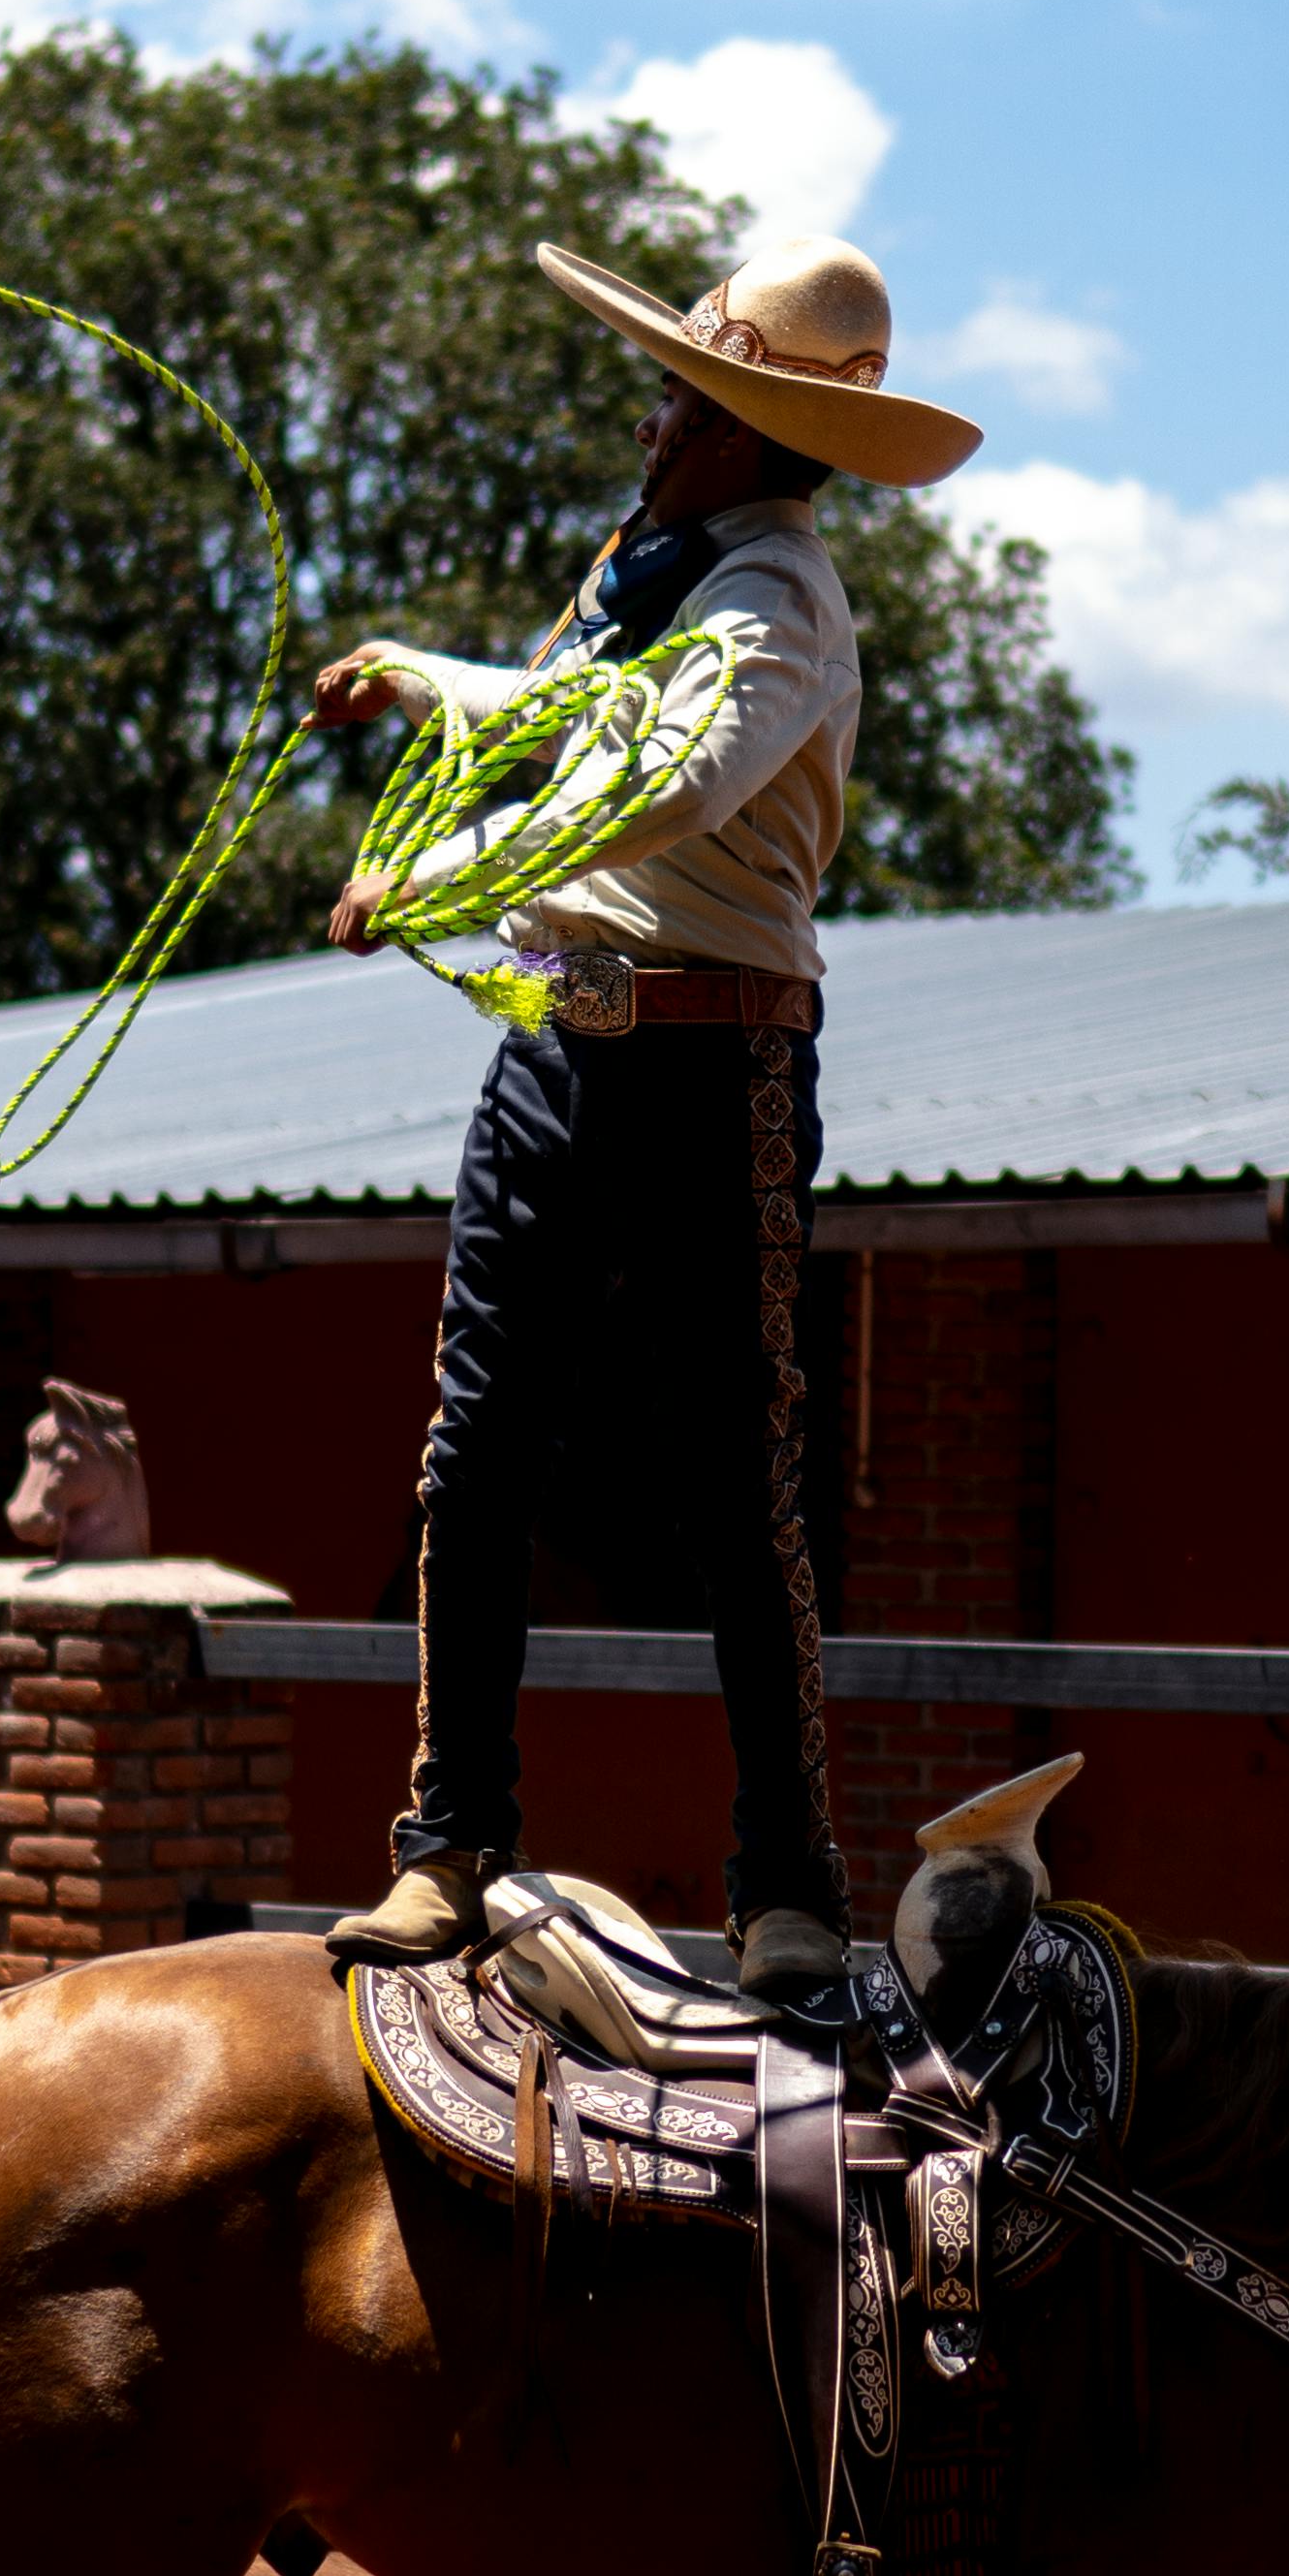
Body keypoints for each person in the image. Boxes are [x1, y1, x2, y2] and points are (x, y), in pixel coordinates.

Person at [313, 232, 980, 1998]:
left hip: (712, 1064)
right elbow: (574, 712)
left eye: (690, 391)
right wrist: (424, 680)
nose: (658, 409)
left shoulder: (779, 601)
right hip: (565, 1040)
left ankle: (785, 1890)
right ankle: (450, 1846)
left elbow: (659, 783)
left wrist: (437, 869)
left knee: (731, 1479)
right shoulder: (659, 572)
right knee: (477, 1446)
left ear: (750, 430)